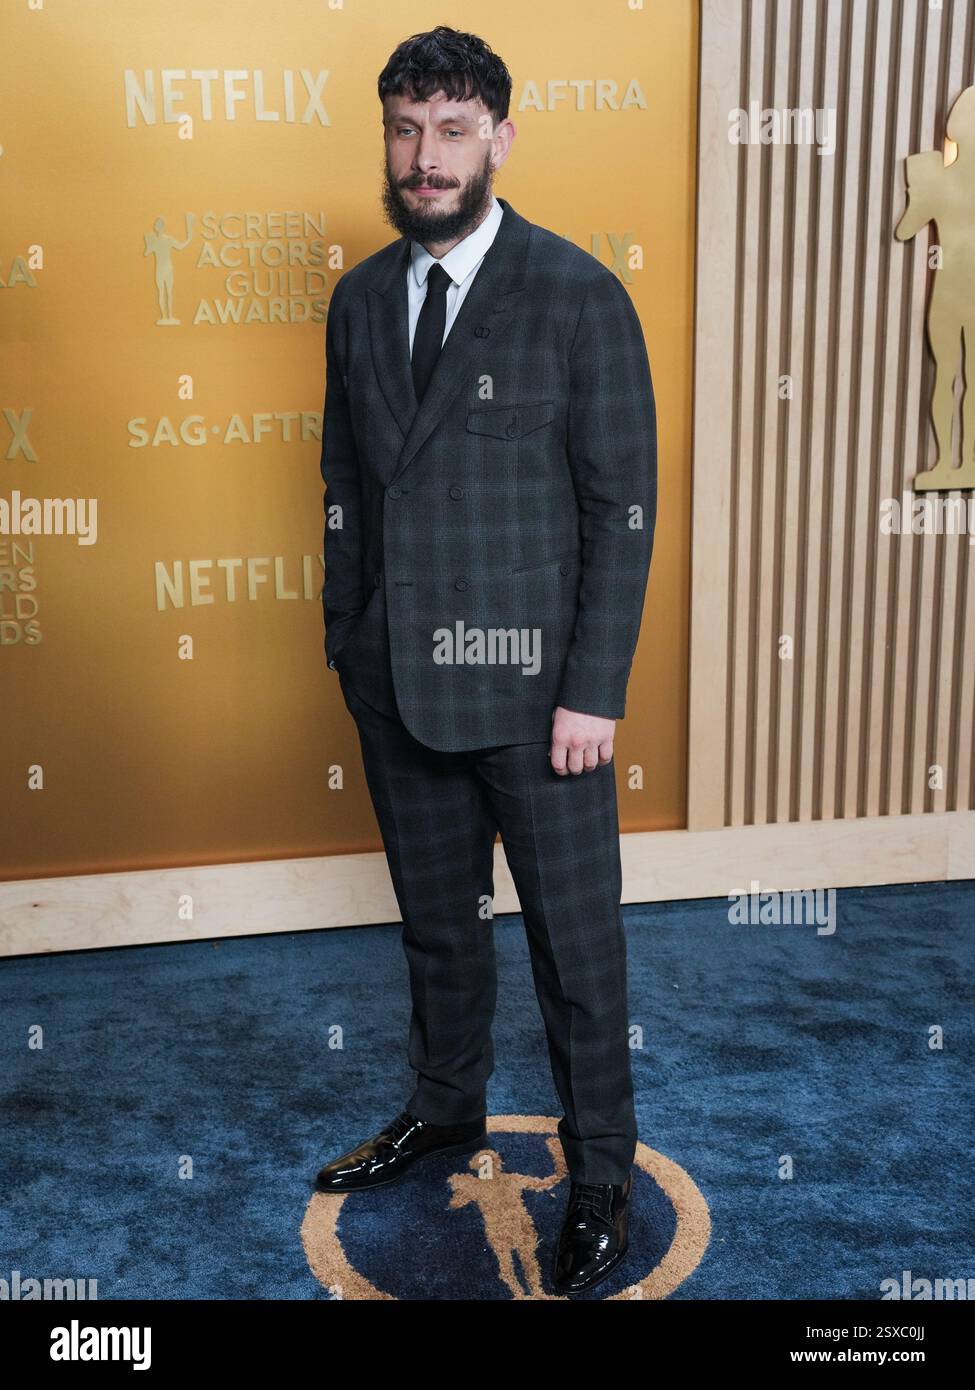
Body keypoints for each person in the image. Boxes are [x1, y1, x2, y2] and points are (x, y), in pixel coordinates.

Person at [315, 24, 657, 1297]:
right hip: (398, 680)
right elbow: (345, 482)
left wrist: (594, 691)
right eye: (406, 129)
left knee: (579, 947)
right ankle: (445, 1108)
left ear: (500, 140)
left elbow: (622, 507)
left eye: (453, 130)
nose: (425, 156)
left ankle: (605, 1172)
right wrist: (347, 638)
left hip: (537, 700)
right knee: (439, 933)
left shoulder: (577, 293)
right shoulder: (358, 300)